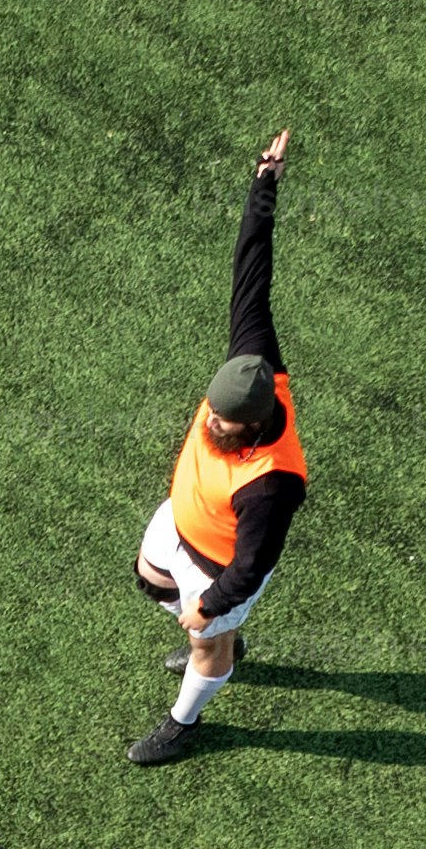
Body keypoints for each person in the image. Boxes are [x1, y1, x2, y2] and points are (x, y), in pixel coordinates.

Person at [129, 128, 309, 768]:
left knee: (206, 644)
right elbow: (251, 271)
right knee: (149, 578)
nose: (213, 425)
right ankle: (222, 642)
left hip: (221, 567)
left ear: (255, 428)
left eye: (227, 427)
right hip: (181, 520)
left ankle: (186, 720)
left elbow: (254, 563)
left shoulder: (273, 483)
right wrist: (264, 187)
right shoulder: (251, 359)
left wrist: (210, 606)